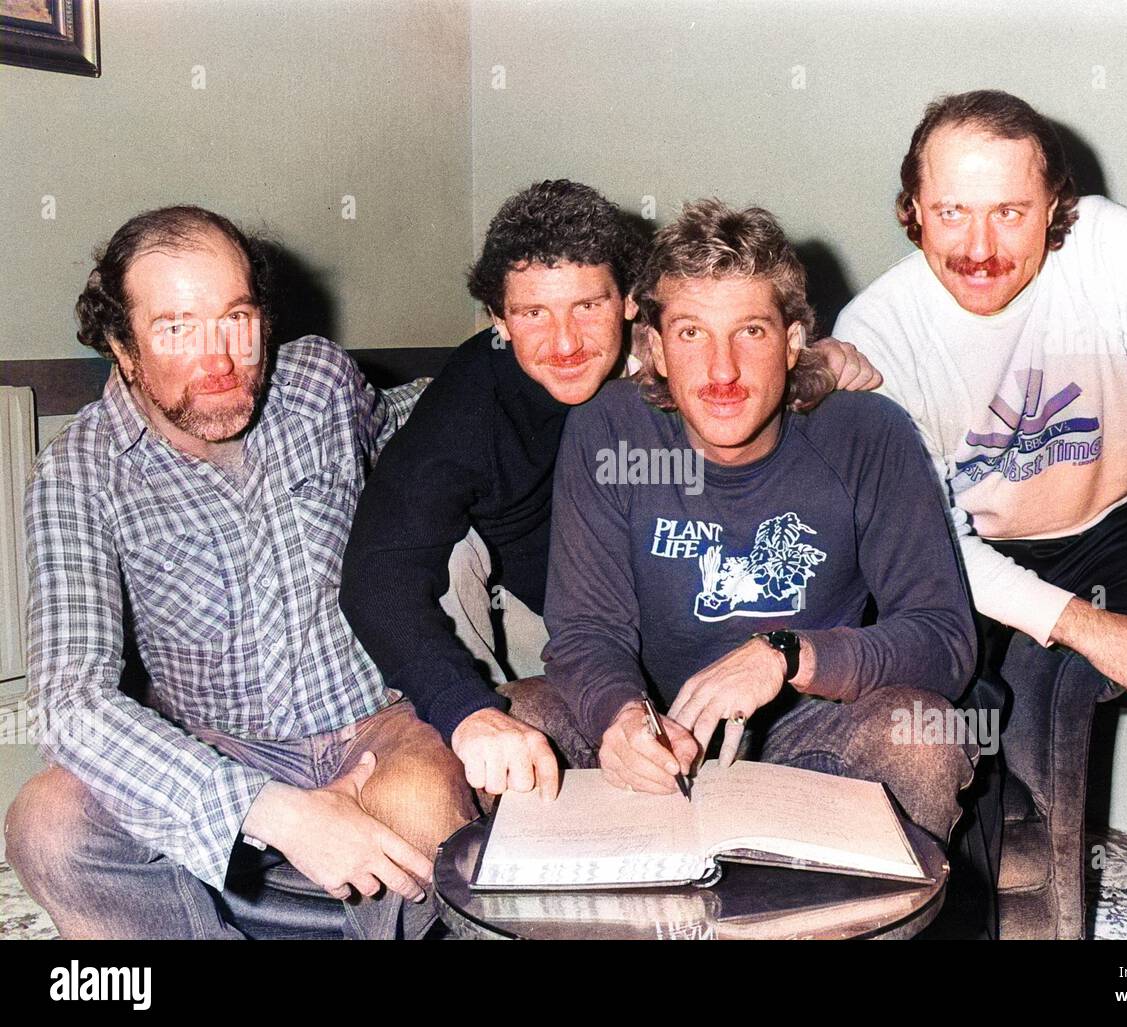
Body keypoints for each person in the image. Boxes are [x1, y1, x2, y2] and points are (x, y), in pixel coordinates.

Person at [831, 89, 1127, 938]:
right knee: (943, 731)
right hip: (966, 565)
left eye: (1010, 212)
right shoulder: (879, 336)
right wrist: (1084, 626)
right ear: (913, 212)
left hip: (1119, 525)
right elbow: (931, 543)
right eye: (951, 214)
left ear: (1056, 210)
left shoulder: (1110, 249)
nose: (980, 249)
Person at [2, 206, 475, 939]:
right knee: (46, 824)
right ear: (122, 347)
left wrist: (518, 359)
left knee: (422, 814)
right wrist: (267, 807)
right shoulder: (78, 471)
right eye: (176, 330)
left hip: (376, 724)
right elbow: (69, 701)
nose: (219, 360)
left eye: (236, 319)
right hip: (218, 747)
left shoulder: (320, 381)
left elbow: (406, 419)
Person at [339, 179, 887, 803]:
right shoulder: (470, 404)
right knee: (456, 553)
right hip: (554, 621)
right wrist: (467, 712)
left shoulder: (682, 348)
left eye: (588, 306)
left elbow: (747, 339)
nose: (565, 343)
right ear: (497, 317)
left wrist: (817, 363)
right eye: (532, 313)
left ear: (631, 301)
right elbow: (377, 571)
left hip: (705, 594)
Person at [538, 199, 979, 846]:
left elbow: (945, 643)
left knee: (919, 736)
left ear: (794, 341)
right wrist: (622, 717)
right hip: (655, 720)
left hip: (812, 725)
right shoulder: (608, 430)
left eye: (750, 331)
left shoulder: (869, 434)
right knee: (517, 721)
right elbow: (584, 632)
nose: (722, 371)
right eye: (691, 333)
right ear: (655, 348)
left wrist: (789, 654)